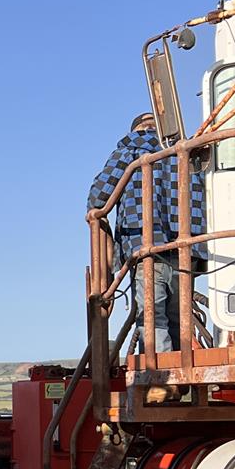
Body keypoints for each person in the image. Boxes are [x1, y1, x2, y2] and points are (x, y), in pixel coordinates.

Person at [87, 112, 206, 353]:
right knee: (180, 314)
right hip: (188, 247)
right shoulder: (189, 149)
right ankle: (177, 370)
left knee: (152, 315)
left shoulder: (131, 149)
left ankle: (159, 376)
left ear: (136, 129)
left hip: (146, 244)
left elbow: (98, 197)